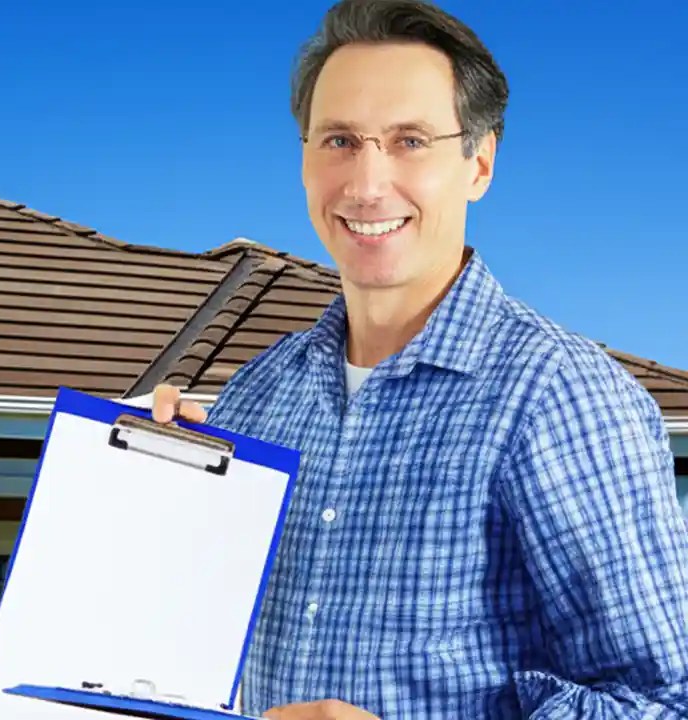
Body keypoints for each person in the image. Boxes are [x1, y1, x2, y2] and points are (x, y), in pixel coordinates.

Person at [151, 1, 688, 717]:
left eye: (409, 141)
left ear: (479, 163)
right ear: (304, 159)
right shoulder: (255, 398)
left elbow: (664, 701)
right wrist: (151, 488)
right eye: (339, 140)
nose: (368, 184)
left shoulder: (562, 400)